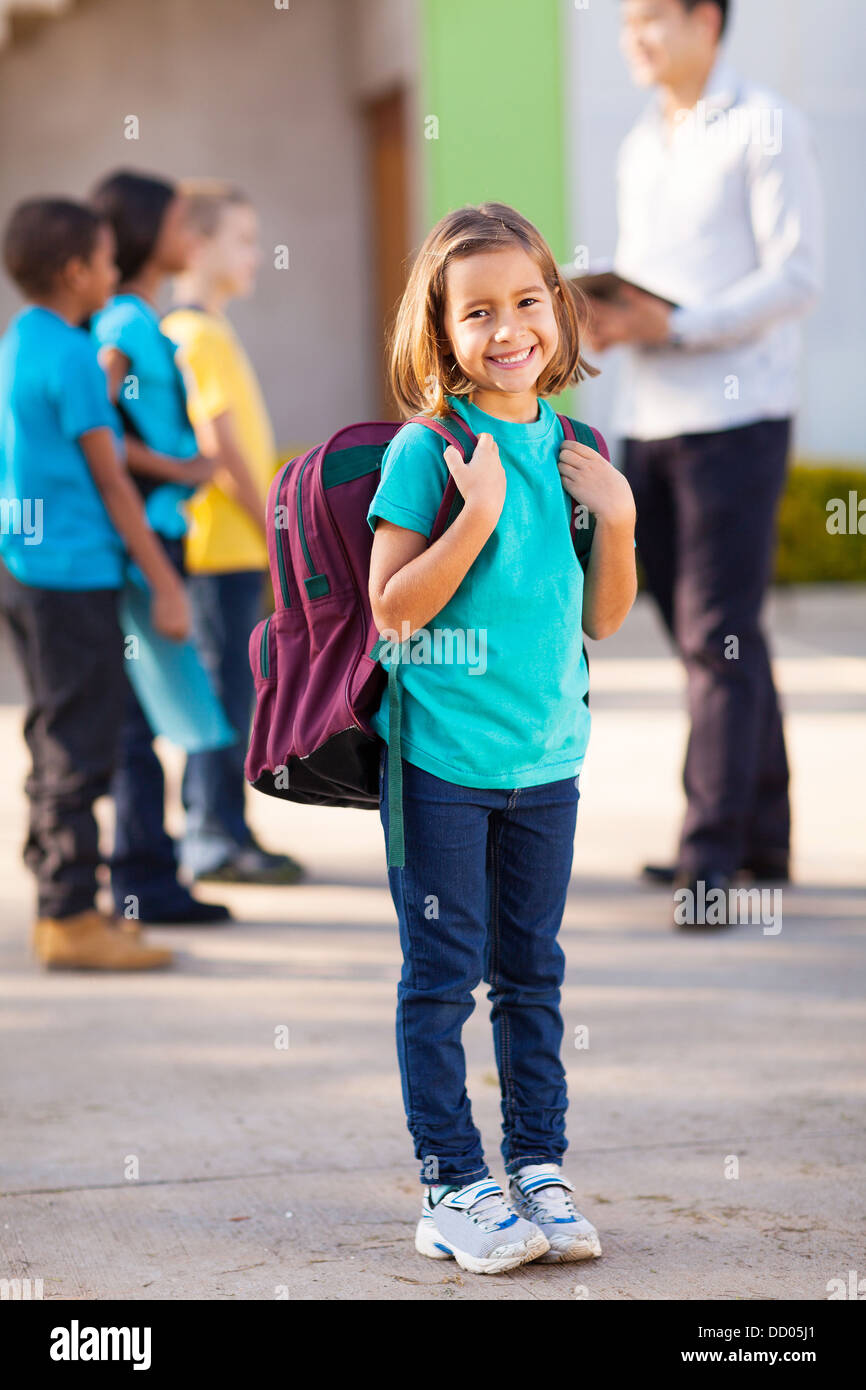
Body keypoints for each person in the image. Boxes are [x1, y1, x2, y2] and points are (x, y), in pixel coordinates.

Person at [367, 203, 637, 1274]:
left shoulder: (577, 448)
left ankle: (535, 1168)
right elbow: (394, 608)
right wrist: (472, 518)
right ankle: (451, 1184)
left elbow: (602, 620)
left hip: (547, 761)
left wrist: (614, 516)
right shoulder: (426, 451)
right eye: (476, 312)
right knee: (439, 978)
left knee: (532, 974)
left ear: (557, 313)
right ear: (440, 333)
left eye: (526, 302)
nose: (507, 328)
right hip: (441, 766)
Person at [585, 0, 823, 910]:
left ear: (706, 20)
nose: (633, 38)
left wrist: (679, 325)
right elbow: (655, 286)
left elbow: (798, 275)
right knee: (716, 631)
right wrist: (619, 319)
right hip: (651, 414)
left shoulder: (767, 123)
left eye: (649, 18)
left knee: (715, 632)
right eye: (624, 23)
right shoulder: (641, 139)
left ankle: (711, 859)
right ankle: (764, 833)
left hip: (740, 414)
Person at [0, 197, 188, 969]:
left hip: (24, 567)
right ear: (77, 272)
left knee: (53, 728)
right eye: (109, 261)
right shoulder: (76, 355)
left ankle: (59, 908)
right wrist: (165, 585)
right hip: (71, 572)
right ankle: (74, 916)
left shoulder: (21, 340)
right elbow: (112, 483)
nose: (115, 275)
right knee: (83, 740)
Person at [90, 170, 231, 925]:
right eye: (182, 223)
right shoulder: (120, 322)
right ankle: (144, 884)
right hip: (140, 543)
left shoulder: (146, 316)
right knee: (138, 718)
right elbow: (99, 421)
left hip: (168, 536)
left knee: (164, 710)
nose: (193, 237)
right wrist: (180, 468)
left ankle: (152, 873)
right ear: (146, 234)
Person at [162, 181, 303, 885]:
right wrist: (275, 528)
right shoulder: (201, 336)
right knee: (224, 694)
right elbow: (222, 454)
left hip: (226, 551)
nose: (254, 255)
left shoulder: (203, 330)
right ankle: (214, 837)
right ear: (196, 246)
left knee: (229, 692)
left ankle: (222, 828)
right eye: (242, 241)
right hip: (222, 551)